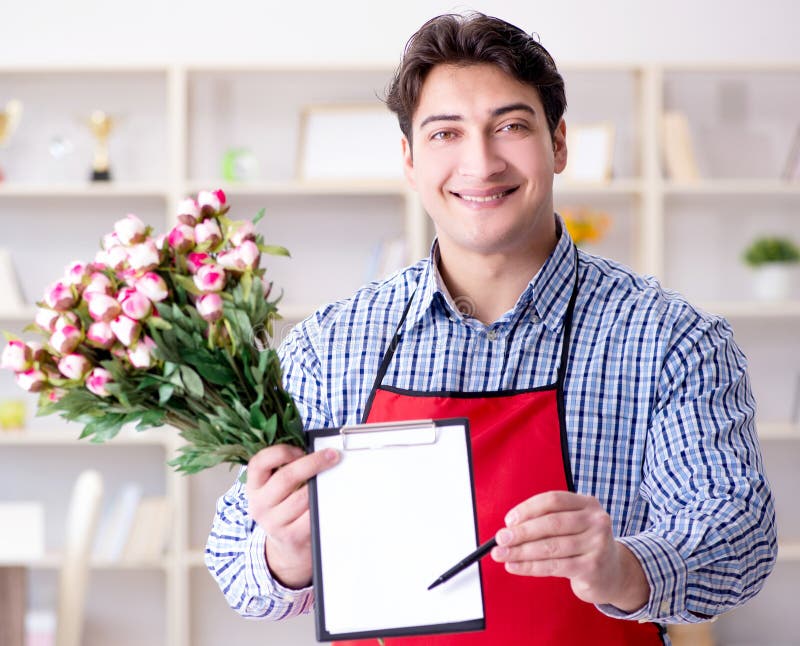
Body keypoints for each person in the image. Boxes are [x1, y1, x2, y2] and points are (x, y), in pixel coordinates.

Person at [206, 12, 777, 645]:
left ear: (559, 143)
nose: (480, 162)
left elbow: (741, 542)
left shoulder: (672, 339)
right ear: (410, 158)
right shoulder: (332, 345)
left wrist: (621, 567)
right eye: (446, 133)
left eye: (510, 126)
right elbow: (235, 563)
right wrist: (286, 550)